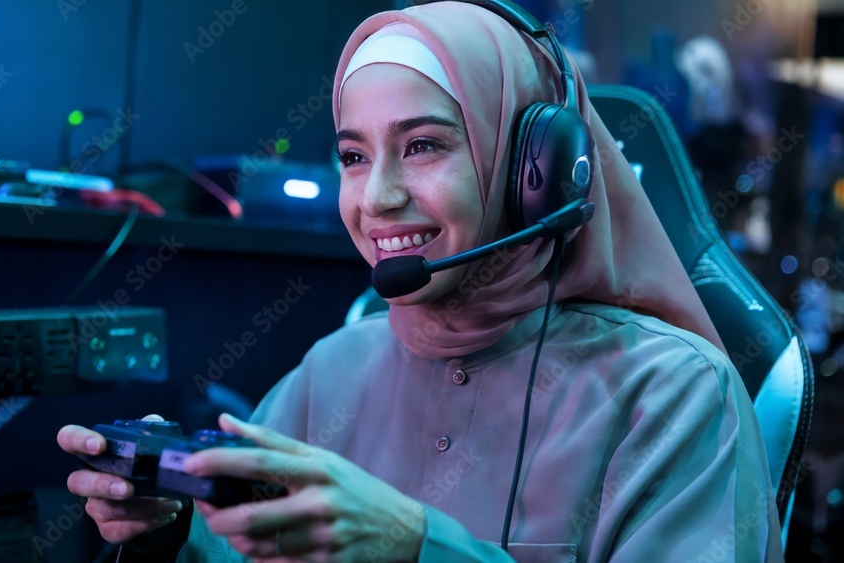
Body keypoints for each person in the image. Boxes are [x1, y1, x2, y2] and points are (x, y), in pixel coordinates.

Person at [58, 1, 784, 561]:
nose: (376, 197)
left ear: (534, 171)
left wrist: (416, 544)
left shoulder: (677, 396)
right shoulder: (329, 371)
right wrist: (170, 529)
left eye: (424, 145)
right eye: (352, 155)